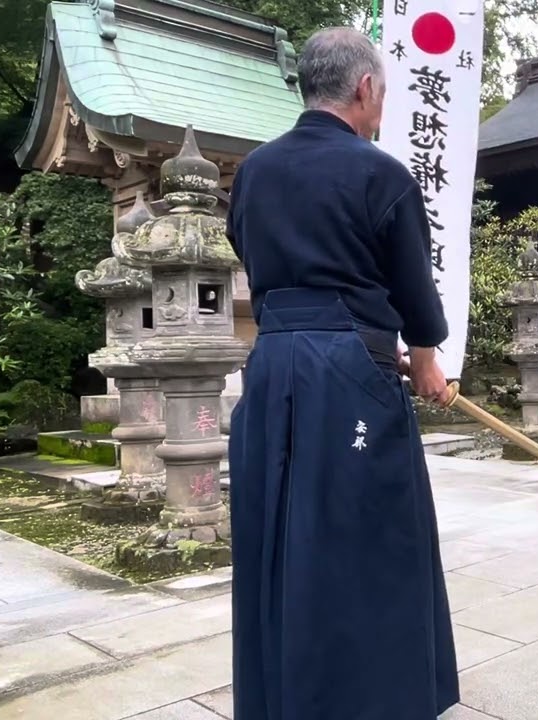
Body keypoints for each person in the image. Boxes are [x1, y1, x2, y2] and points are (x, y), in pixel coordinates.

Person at [225, 27, 458, 720]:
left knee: (280, 533)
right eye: (382, 95)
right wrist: (424, 361)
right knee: (369, 535)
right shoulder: (378, 172)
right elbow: (413, 293)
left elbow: (253, 253)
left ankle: (283, 697)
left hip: (271, 368)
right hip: (348, 372)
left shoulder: (253, 172)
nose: (381, 109)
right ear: (364, 89)